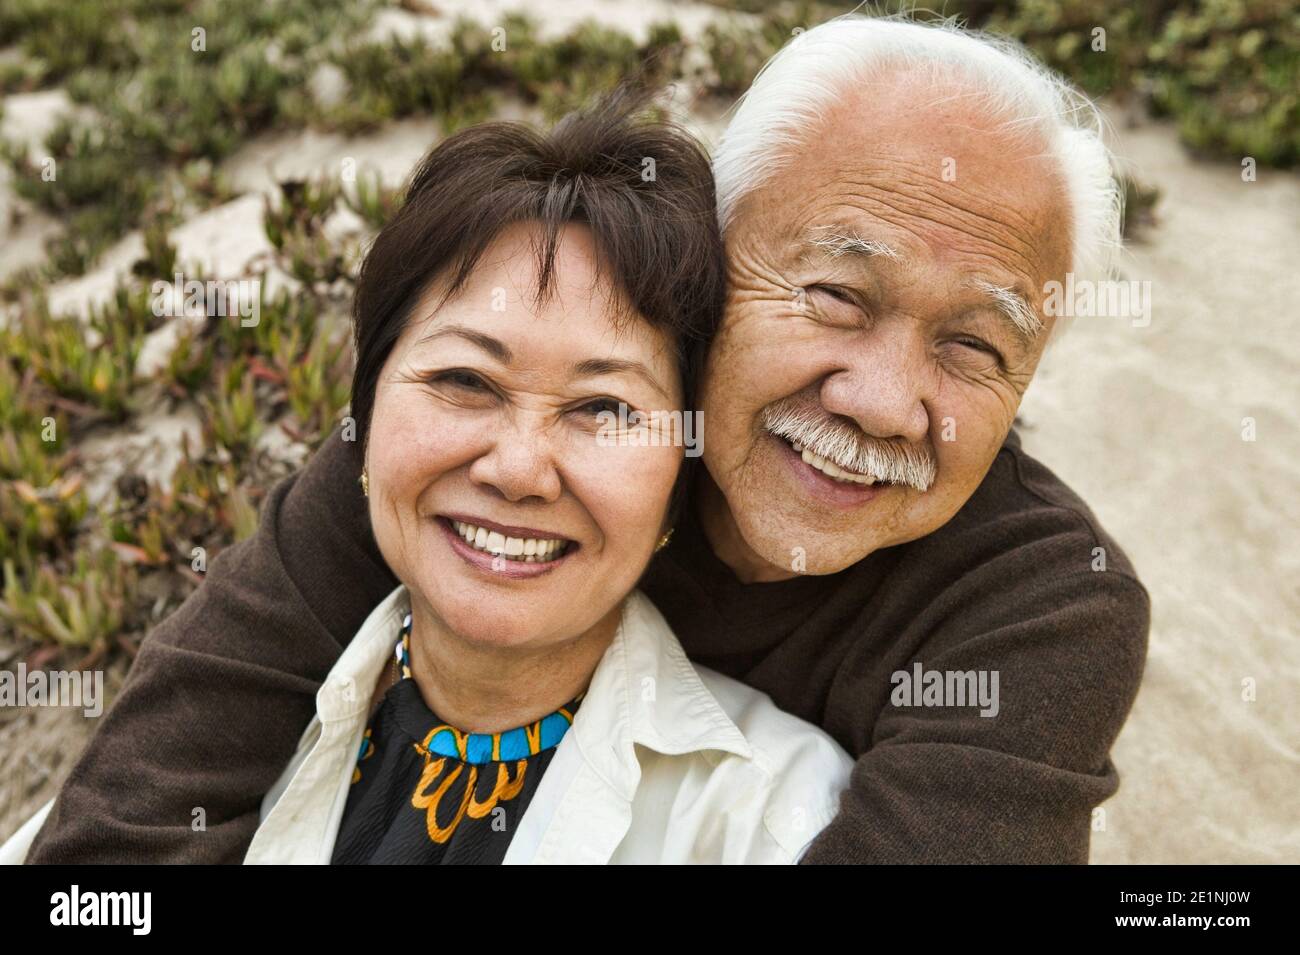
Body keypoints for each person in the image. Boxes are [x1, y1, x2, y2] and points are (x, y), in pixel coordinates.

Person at [19, 15, 1149, 865]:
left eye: (972, 348)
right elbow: (128, 824)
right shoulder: (474, 460)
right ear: (710, 262)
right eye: (835, 296)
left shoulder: (1044, 605)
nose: (884, 400)